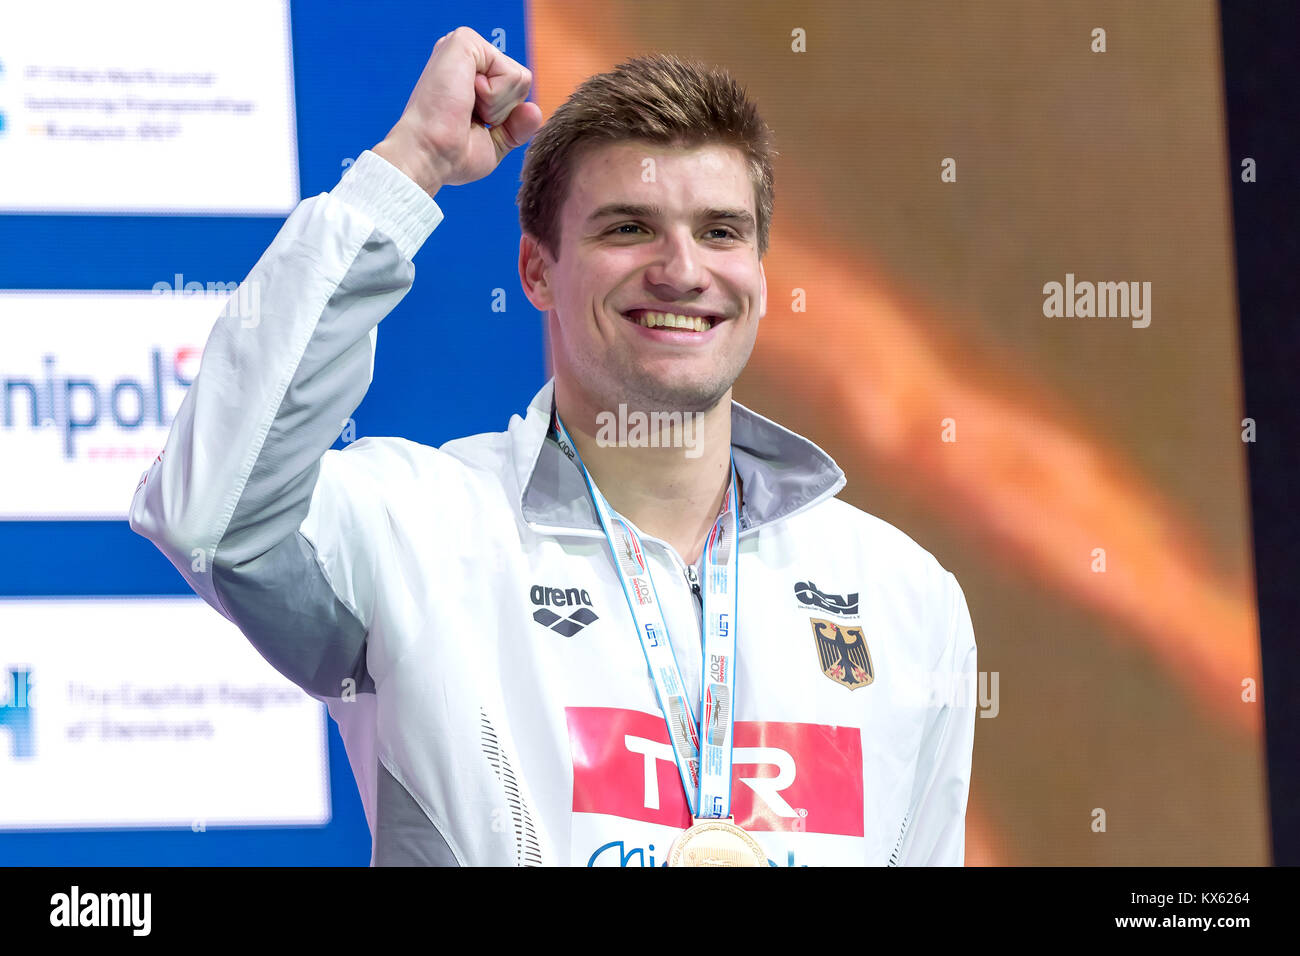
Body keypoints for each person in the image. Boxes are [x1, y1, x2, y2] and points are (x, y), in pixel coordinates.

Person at [129, 26, 977, 866]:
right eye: (628, 229)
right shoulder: (419, 532)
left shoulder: (905, 598)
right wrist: (410, 166)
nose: (682, 269)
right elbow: (213, 515)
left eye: (720, 232)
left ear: (759, 270)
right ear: (537, 272)